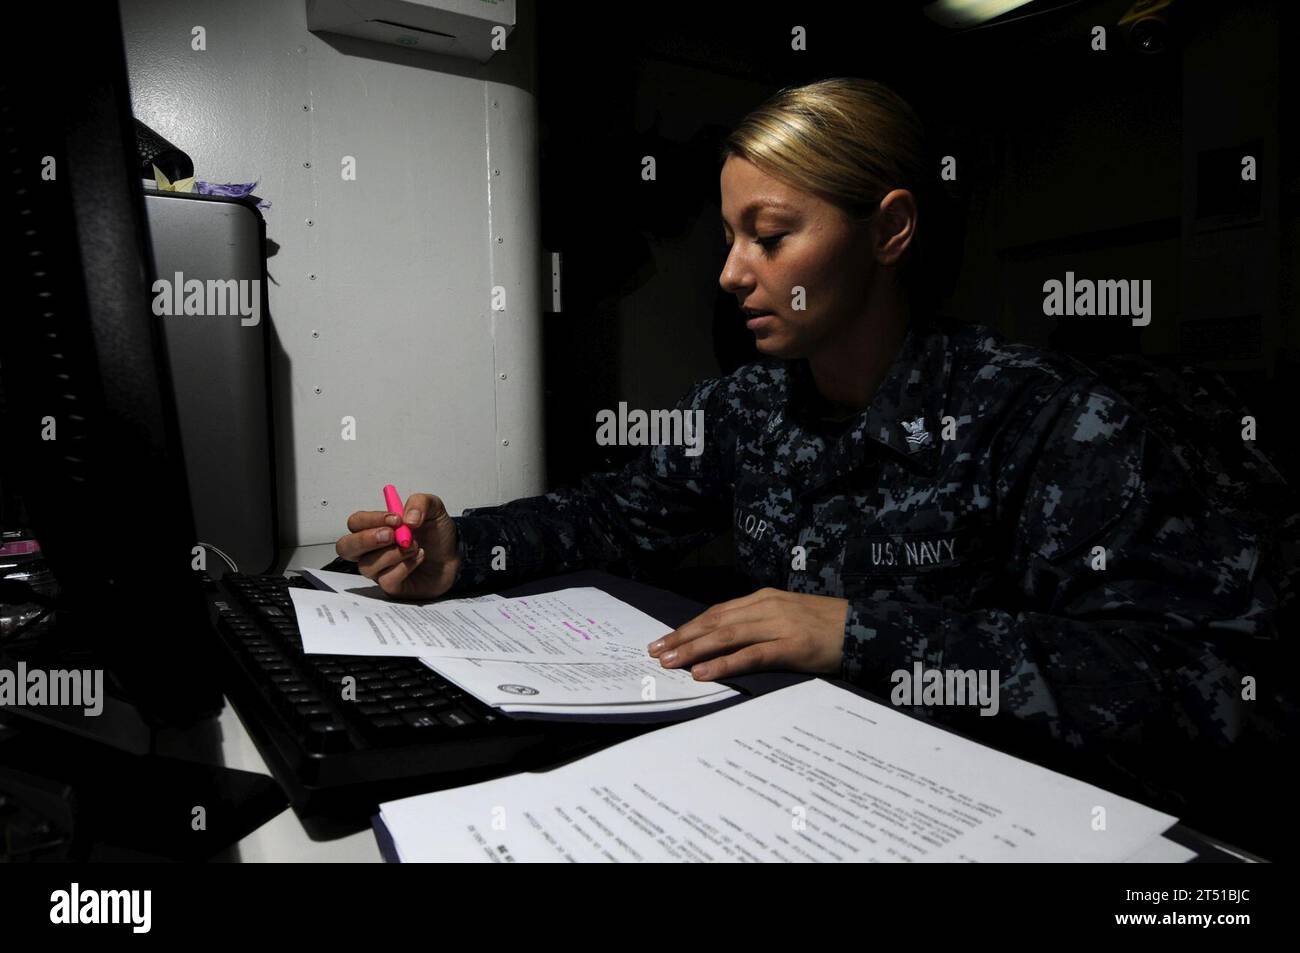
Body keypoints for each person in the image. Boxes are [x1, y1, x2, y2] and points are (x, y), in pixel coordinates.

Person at [334, 77, 1286, 839]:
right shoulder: (749, 404)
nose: (731, 272)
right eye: (729, 236)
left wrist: (861, 632)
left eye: (772, 235)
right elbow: (615, 514)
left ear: (890, 230)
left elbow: (1196, 682)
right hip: (799, 783)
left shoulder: (1042, 419)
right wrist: (467, 547)